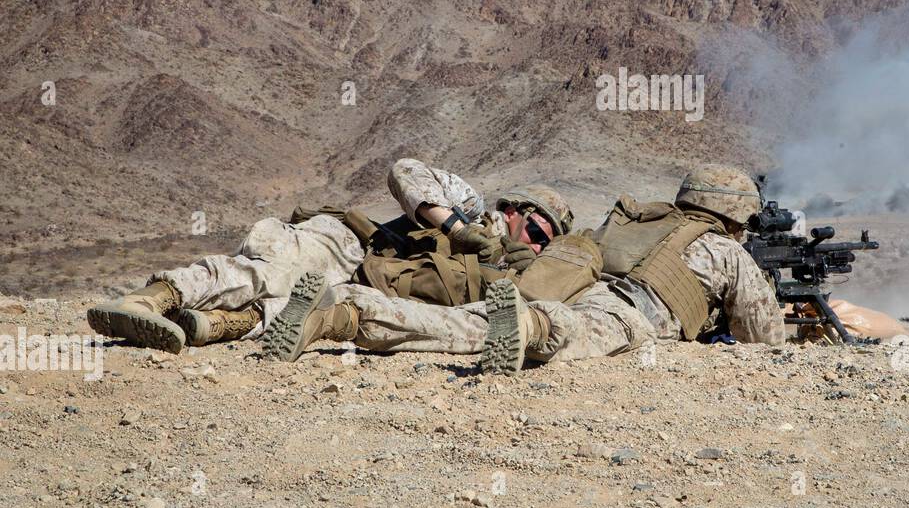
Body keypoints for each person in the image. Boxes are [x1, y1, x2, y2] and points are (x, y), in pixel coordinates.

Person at [262, 165, 786, 371]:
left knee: (474, 322)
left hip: (569, 283)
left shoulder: (641, 218)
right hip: (624, 312)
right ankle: (353, 316)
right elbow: (763, 338)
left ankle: (351, 311)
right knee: (554, 335)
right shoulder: (727, 252)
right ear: (734, 216)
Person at [87, 160, 568, 353]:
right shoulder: (467, 203)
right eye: (536, 228)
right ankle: (151, 300)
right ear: (515, 209)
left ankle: (206, 326)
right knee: (268, 269)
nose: (537, 242)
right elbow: (405, 170)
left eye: (546, 241)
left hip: (373, 287)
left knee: (298, 311)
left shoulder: (513, 266)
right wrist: (457, 227)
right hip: (352, 243)